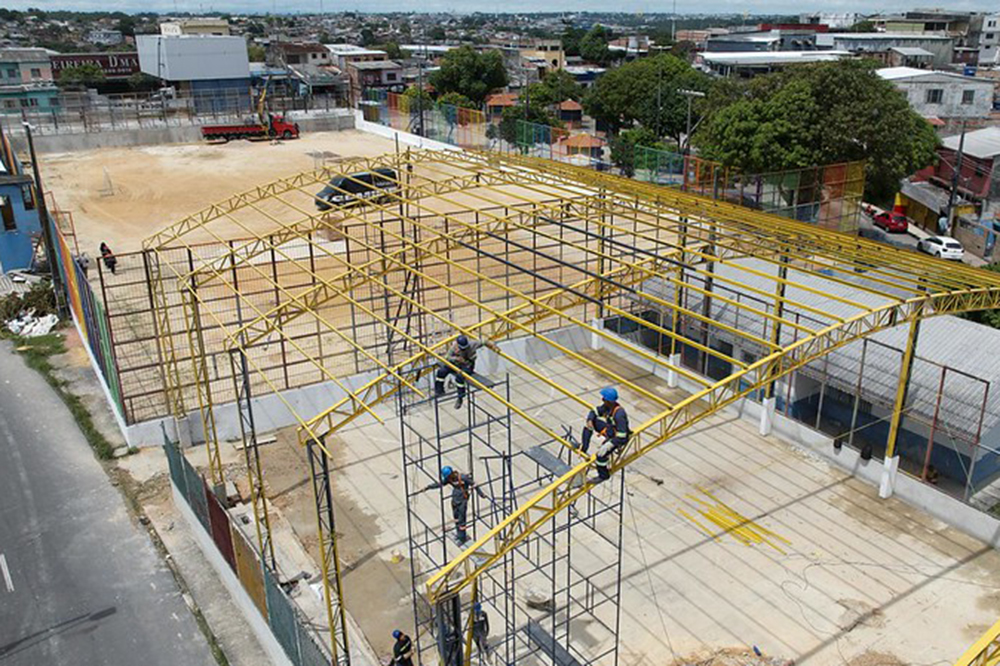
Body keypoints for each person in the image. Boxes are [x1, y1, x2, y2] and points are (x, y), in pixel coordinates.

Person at [434, 334, 499, 410]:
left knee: (460, 378)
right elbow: (447, 357)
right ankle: (439, 390)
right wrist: (456, 359)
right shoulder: (454, 347)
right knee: (441, 372)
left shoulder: (472, 344)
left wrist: (493, 346)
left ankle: (460, 397)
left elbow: (484, 341)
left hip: (467, 365)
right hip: (456, 363)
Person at [426, 466, 485, 546]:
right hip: (455, 500)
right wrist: (429, 487)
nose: (448, 478)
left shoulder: (463, 478)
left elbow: (474, 484)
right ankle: (459, 535)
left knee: (461, 520)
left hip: (462, 501)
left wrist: (481, 494)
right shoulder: (449, 479)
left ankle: (462, 538)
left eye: (448, 476)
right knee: (456, 518)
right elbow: (440, 484)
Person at [581, 387, 630, 481]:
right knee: (589, 425)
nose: (602, 400)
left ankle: (603, 475)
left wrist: (609, 444)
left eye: (604, 398)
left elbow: (622, 436)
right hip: (610, 430)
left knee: (601, 454)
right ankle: (583, 448)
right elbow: (594, 411)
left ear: (609, 401)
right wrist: (590, 420)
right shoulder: (607, 407)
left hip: (617, 438)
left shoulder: (619, 414)